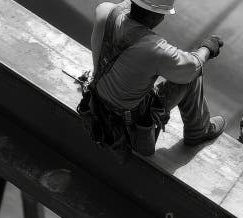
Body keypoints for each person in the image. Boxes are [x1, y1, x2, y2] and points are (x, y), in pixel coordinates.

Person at [87, 0, 225, 162]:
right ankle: (199, 132)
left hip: (96, 104)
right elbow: (191, 68)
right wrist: (207, 48)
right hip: (128, 125)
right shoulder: (154, 48)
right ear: (157, 17)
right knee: (191, 77)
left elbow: (124, 7)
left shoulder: (104, 11)